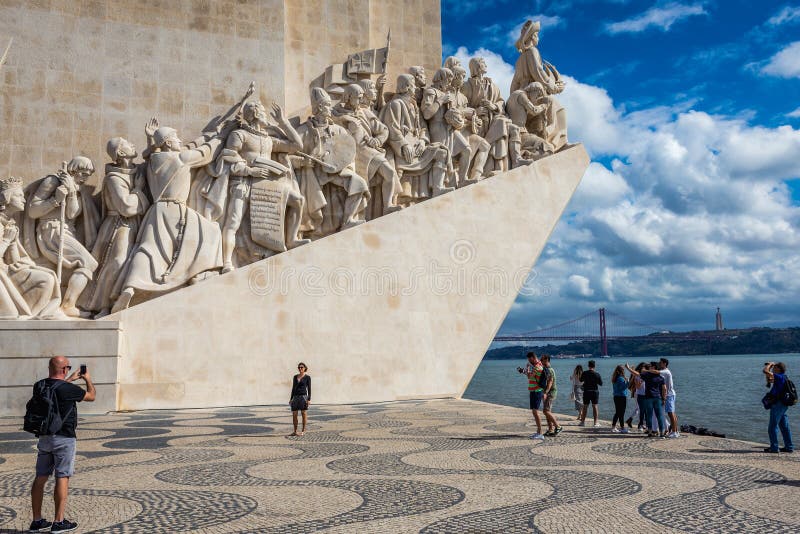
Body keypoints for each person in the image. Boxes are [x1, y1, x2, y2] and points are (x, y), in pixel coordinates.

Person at [29, 355, 96, 533]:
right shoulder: (68, 389)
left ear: (50, 368)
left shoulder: (40, 385)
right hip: (64, 438)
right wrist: (87, 379)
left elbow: (55, 388)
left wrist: (69, 379)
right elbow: (91, 396)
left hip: (44, 437)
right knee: (62, 476)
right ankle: (58, 522)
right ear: (65, 369)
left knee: (41, 477)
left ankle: (36, 520)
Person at [629, 362, 667, 438]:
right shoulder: (661, 377)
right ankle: (662, 433)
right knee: (659, 416)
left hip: (648, 397)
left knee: (649, 415)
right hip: (658, 398)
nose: (649, 368)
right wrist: (664, 399)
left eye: (650, 367)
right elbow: (664, 389)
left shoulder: (647, 376)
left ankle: (650, 432)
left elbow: (637, 374)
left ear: (653, 368)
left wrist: (629, 369)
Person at [763, 362, 794, 453]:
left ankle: (774, 448)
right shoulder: (783, 377)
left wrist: (769, 365)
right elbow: (769, 380)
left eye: (774, 367)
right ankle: (789, 447)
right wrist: (770, 369)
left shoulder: (780, 377)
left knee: (772, 426)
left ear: (779, 369)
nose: (773, 369)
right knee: (784, 426)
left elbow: (765, 371)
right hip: (783, 405)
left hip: (778, 404)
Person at [519, 351, 545, 440]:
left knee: (535, 412)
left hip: (537, 391)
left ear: (533, 358)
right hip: (533, 390)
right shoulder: (537, 365)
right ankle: (538, 432)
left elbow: (529, 377)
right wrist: (525, 371)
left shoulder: (537, 367)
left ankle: (540, 433)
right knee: (534, 412)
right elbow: (530, 376)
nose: (529, 362)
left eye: (530, 360)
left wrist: (526, 369)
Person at [540, 355, 562, 436]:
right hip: (548, 392)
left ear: (546, 360)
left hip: (551, 392)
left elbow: (550, 382)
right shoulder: (546, 369)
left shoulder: (549, 370)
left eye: (542, 360)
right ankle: (550, 429)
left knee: (546, 411)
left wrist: (545, 392)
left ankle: (558, 426)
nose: (540, 361)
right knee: (547, 412)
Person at [659, 358, 680, 438]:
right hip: (670, 394)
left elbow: (657, 372)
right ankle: (676, 431)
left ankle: (674, 432)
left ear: (664, 364)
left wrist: (646, 371)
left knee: (671, 414)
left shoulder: (666, 371)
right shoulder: (665, 371)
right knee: (672, 413)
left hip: (669, 395)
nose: (659, 364)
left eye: (660, 363)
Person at [578, 359, 603, 427]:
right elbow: (601, 383)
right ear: (594, 366)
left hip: (586, 391)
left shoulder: (585, 373)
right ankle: (595, 423)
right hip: (594, 391)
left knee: (585, 406)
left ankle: (582, 422)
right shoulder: (597, 374)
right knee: (595, 406)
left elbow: (580, 380)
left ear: (588, 366)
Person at [290, 362, 311, 436]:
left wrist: (309, 399)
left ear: (305, 368)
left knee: (303, 413)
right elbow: (293, 388)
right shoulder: (295, 377)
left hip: (303, 396)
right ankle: (295, 431)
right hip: (295, 397)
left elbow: (309, 388)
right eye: (299, 367)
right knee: (294, 414)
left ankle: (303, 430)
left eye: (301, 367)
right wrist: (291, 398)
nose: (300, 369)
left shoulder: (307, 377)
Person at [610, 365, 629, 433]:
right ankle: (622, 428)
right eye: (623, 370)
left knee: (618, 412)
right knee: (621, 412)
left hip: (616, 396)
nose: (624, 371)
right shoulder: (620, 378)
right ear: (622, 371)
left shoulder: (615, 378)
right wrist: (628, 382)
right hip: (621, 397)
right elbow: (622, 388)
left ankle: (614, 426)